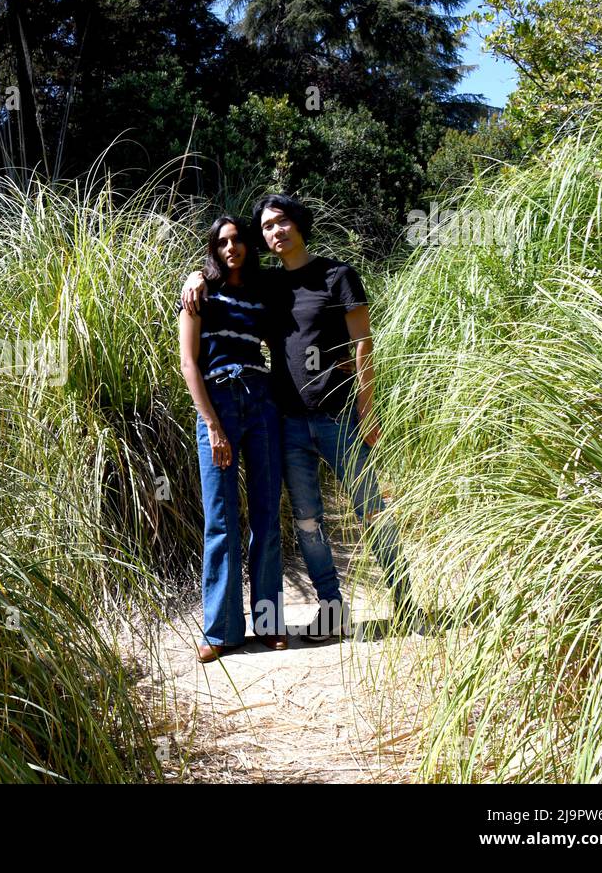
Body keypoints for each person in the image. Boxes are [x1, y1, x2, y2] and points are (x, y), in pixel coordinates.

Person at [181, 194, 422, 640]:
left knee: (372, 509)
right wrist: (195, 275)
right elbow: (224, 274)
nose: (276, 231)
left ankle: (407, 603)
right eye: (268, 226)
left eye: (283, 222)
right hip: (287, 419)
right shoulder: (267, 285)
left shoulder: (338, 276)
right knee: (309, 520)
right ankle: (333, 608)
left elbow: (363, 344)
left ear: (299, 224)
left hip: (340, 415)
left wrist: (366, 407)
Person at [177, 215, 287, 664]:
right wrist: (212, 426)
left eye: (238, 239)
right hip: (218, 405)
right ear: (213, 249)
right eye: (221, 242)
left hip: (261, 403)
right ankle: (221, 631)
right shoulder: (198, 295)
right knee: (221, 520)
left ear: (247, 244)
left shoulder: (262, 293)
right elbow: (189, 364)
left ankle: (268, 622)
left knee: (266, 514)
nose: (231, 247)